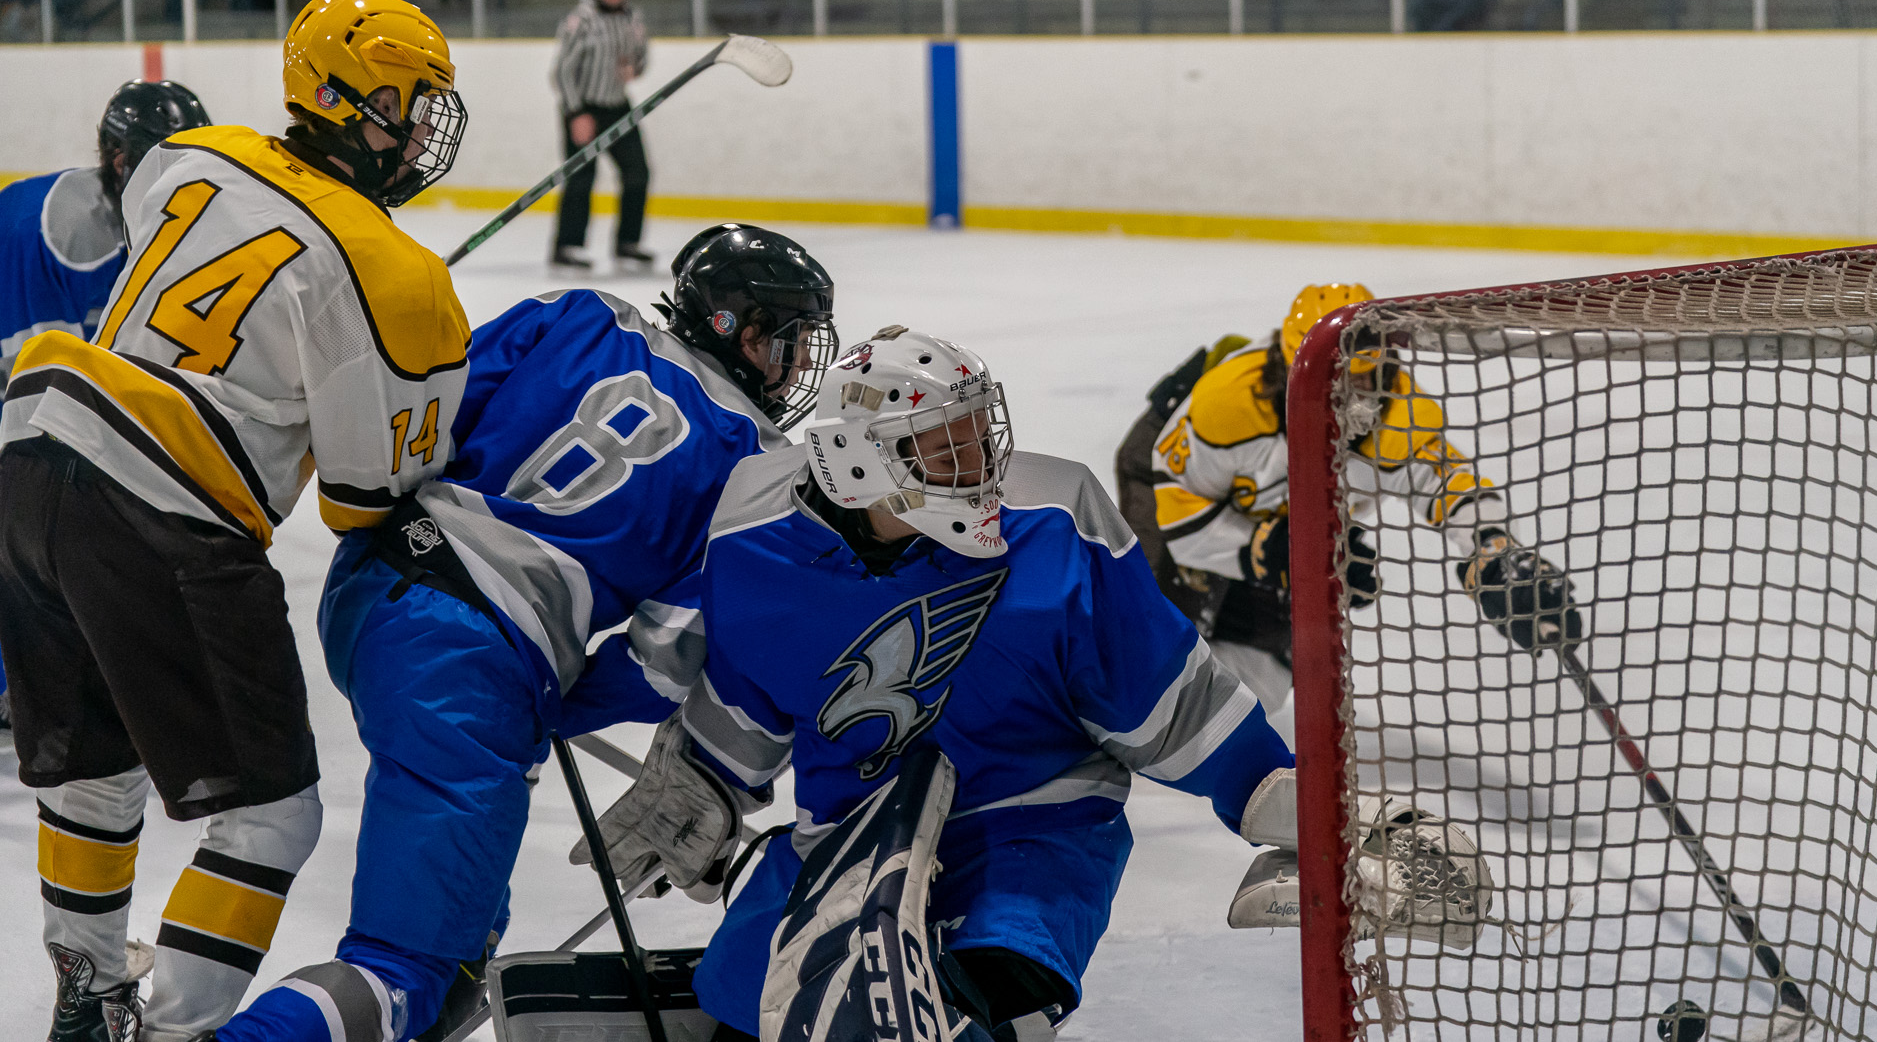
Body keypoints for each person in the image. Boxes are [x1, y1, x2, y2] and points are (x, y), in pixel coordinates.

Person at [214, 225, 836, 1042]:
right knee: (404, 971)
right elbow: (664, 658)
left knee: (465, 935)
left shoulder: (578, 311)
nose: (796, 368)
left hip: (371, 587)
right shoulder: (754, 463)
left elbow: (430, 415)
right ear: (742, 330)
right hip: (471, 665)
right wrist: (547, 701)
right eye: (790, 343)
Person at [0, 0, 471, 1041]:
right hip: (158, 506)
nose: (426, 126)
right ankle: (176, 1031)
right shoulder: (397, 272)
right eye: (411, 103)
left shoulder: (195, 154)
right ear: (350, 101)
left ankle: (86, 997)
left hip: (29, 454)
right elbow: (361, 500)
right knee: (270, 814)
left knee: (92, 771)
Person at [673, 327, 1310, 1038]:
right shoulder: (753, 542)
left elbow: (1170, 704)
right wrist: (708, 781)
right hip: (842, 845)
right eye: (949, 447)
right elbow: (745, 698)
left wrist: (1278, 794)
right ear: (860, 465)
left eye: (981, 432)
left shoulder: (1054, 523)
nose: (981, 465)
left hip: (1030, 825)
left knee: (975, 1013)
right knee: (744, 1019)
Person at [1119, 286, 1583, 731]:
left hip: (1275, 513)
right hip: (1176, 480)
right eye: (1329, 376)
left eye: (1364, 377)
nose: (1349, 396)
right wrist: (1265, 552)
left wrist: (1495, 553)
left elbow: (1449, 483)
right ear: (1289, 367)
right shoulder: (1229, 407)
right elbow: (1182, 521)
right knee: (1152, 638)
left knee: (1256, 683)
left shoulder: (1400, 416)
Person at [0, 80, 211, 728]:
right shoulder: (50, 232)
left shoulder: (155, 224)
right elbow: (31, 383)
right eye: (162, 161)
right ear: (121, 161)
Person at [549, 0, 650, 270]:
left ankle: (627, 243)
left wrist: (635, 67)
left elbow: (641, 57)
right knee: (581, 178)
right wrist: (576, 113)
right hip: (584, 108)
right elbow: (562, 71)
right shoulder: (582, 20)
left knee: (638, 173)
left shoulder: (633, 17)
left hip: (618, 107)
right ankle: (567, 246)